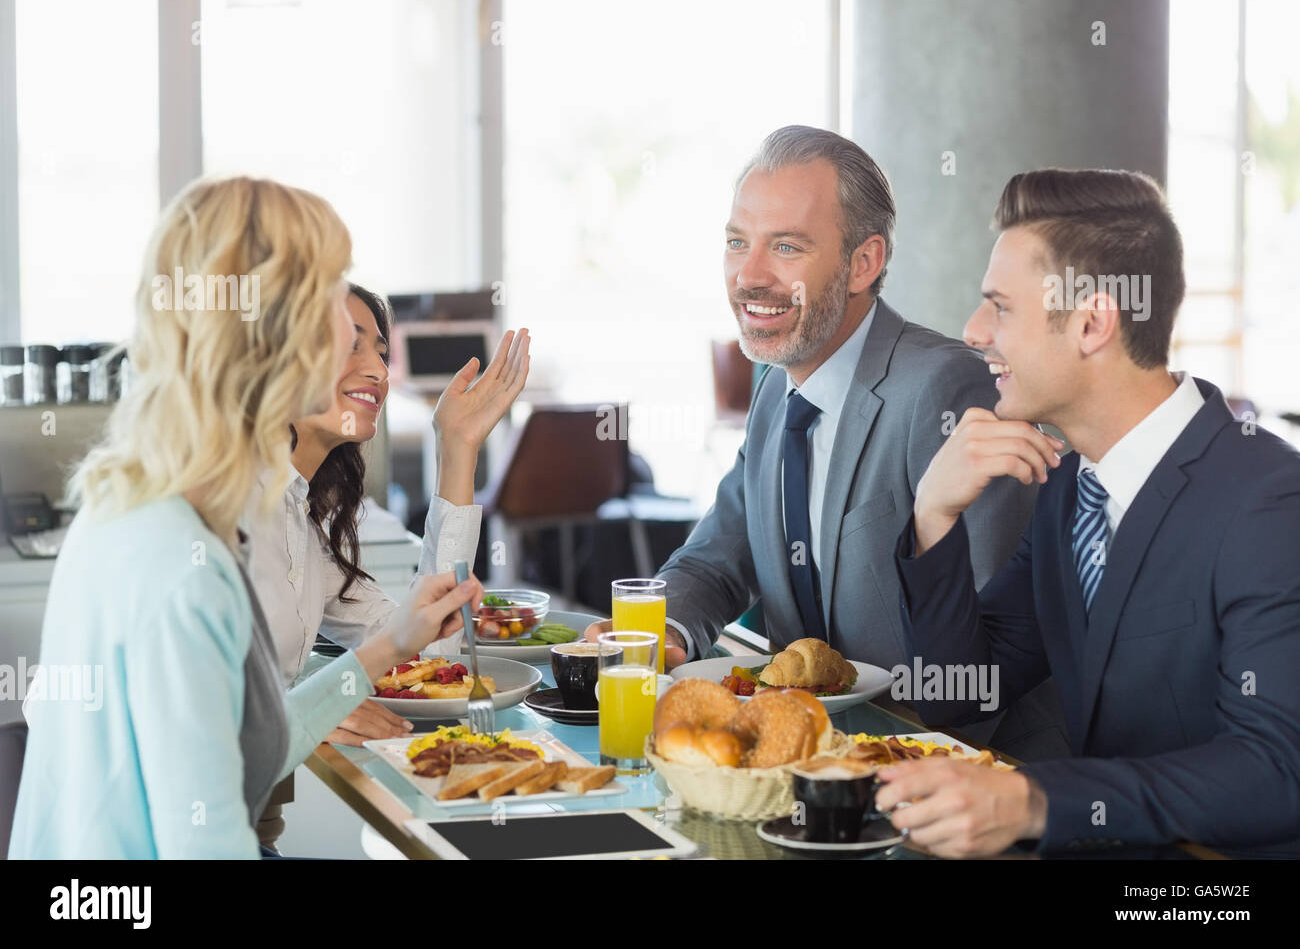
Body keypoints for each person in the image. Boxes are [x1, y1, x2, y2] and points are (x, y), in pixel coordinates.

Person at [7, 176, 483, 859]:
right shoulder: (183, 568)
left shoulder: (140, 505)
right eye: (328, 301)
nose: (364, 347)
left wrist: (384, 649)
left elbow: (228, 743)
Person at [880, 167, 1300, 857]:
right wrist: (934, 516)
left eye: (1001, 307)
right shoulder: (1071, 488)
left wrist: (1038, 801)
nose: (974, 328)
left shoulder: (1269, 499)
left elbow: (1277, 770)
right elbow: (962, 699)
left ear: (1092, 322)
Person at [589, 126, 1037, 720]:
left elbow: (985, 653)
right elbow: (716, 555)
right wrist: (667, 631)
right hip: (808, 758)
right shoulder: (777, 386)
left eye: (786, 247)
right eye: (735, 241)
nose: (748, 275)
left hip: (940, 758)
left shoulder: (946, 388)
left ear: (863, 263)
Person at [245, 283, 527, 848]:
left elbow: (429, 654)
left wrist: (458, 449)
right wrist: (306, 705)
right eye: (351, 345)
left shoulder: (301, 521)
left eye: (379, 350)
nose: (377, 367)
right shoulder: (226, 510)